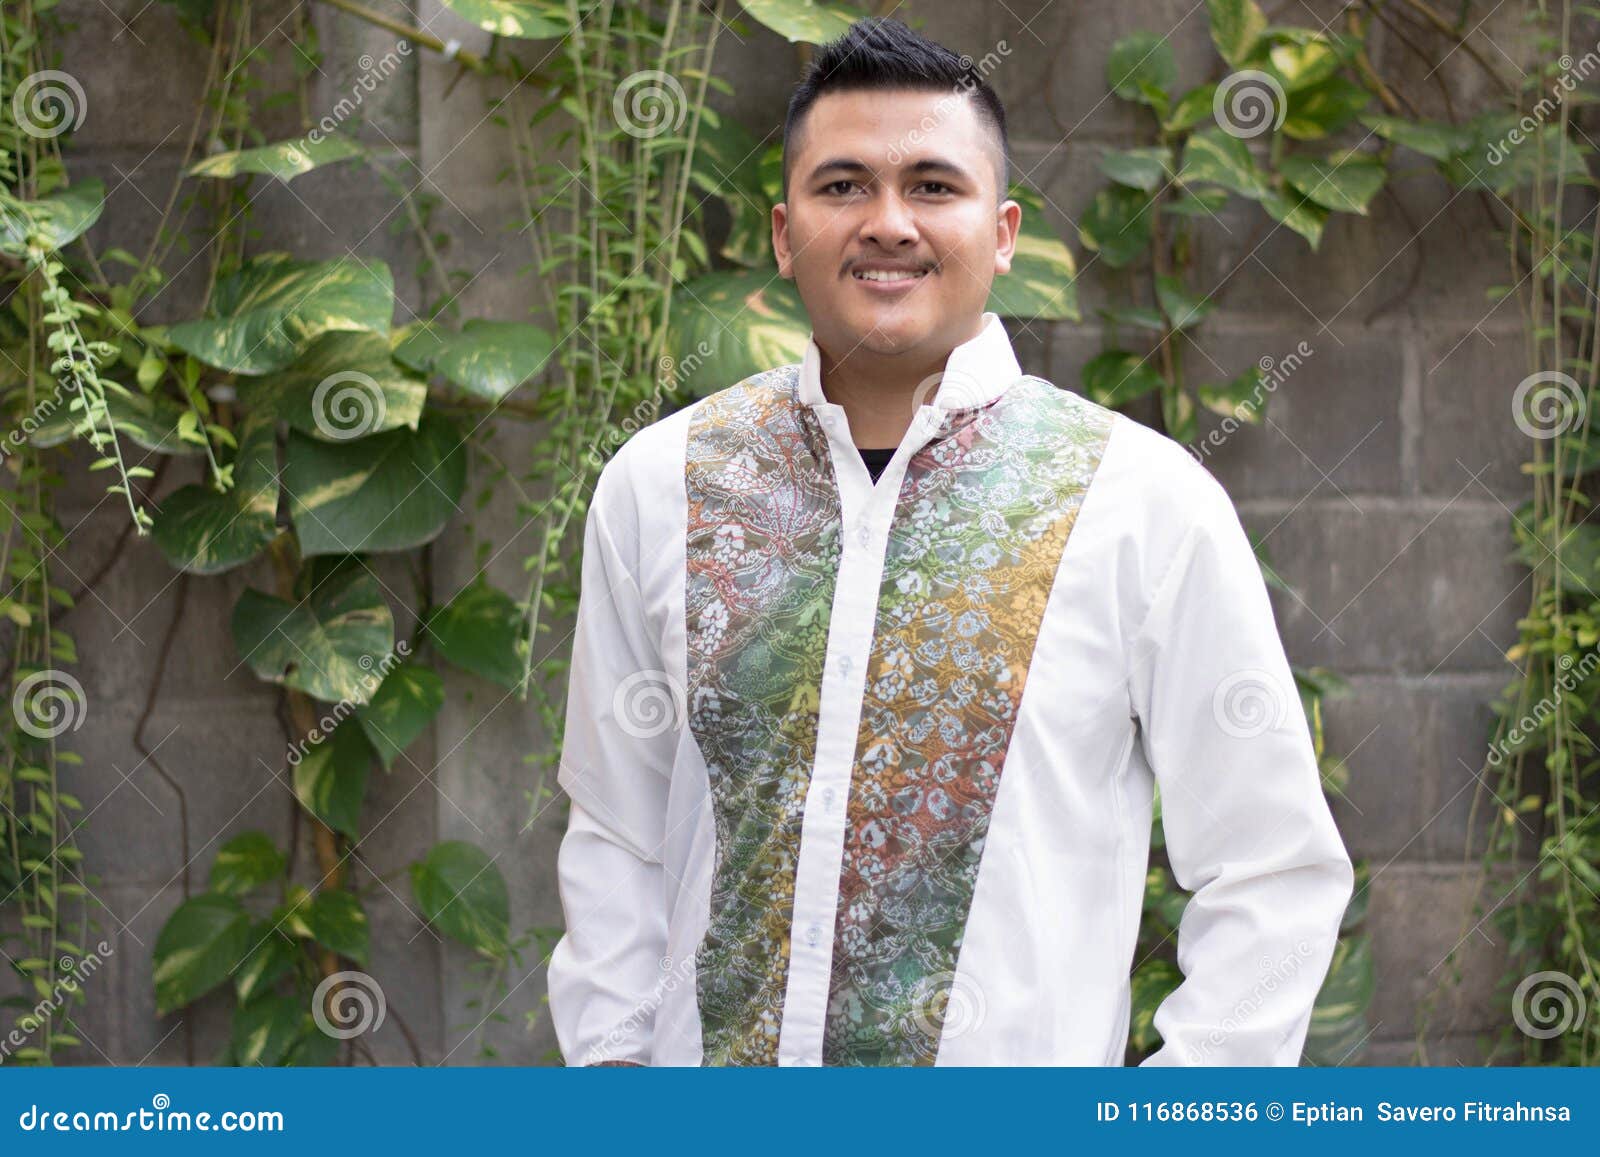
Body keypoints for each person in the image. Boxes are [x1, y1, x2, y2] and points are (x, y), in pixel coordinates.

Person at [546, 16, 1354, 1067]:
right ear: (784, 233)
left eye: (932, 186)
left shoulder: (1143, 504)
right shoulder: (664, 485)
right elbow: (617, 838)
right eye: (843, 186)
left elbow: (1271, 868)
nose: (888, 223)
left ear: (1003, 231)